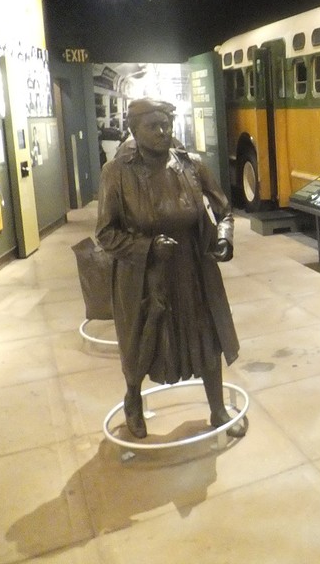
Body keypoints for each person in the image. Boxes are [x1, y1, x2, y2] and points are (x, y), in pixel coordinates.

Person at [96, 98, 246, 439]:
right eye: (153, 126)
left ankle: (217, 408)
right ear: (134, 131)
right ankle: (133, 400)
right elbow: (105, 233)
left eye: (166, 125)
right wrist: (147, 248)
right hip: (144, 274)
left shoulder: (191, 165)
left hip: (192, 266)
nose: (162, 132)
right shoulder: (117, 173)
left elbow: (223, 210)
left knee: (206, 335)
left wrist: (224, 238)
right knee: (142, 342)